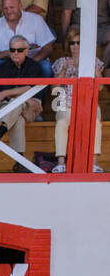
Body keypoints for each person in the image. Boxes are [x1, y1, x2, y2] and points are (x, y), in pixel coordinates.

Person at [50, 28, 103, 172]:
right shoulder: (62, 61)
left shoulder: (93, 61)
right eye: (72, 43)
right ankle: (61, 162)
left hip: (88, 104)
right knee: (61, 122)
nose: (75, 46)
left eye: (79, 43)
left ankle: (94, 163)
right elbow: (54, 89)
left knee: (95, 122)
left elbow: (100, 87)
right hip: (64, 103)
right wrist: (63, 71)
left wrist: (94, 69)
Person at [0, 35, 43, 160]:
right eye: (12, 50)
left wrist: (6, 93)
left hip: (32, 107)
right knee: (18, 119)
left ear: (27, 51)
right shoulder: (3, 67)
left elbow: (30, 88)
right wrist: (25, 97)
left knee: (14, 101)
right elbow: (10, 91)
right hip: (13, 106)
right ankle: (19, 161)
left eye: (19, 50)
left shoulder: (34, 66)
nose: (15, 53)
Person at [0, 0, 55, 80]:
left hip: (34, 60)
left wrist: (30, 63)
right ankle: (5, 93)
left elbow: (48, 48)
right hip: (8, 64)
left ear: (20, 6)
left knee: (46, 67)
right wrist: (8, 53)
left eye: (12, 7)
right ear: (1, 9)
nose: (9, 11)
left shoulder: (36, 20)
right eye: (5, 8)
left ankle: (38, 93)